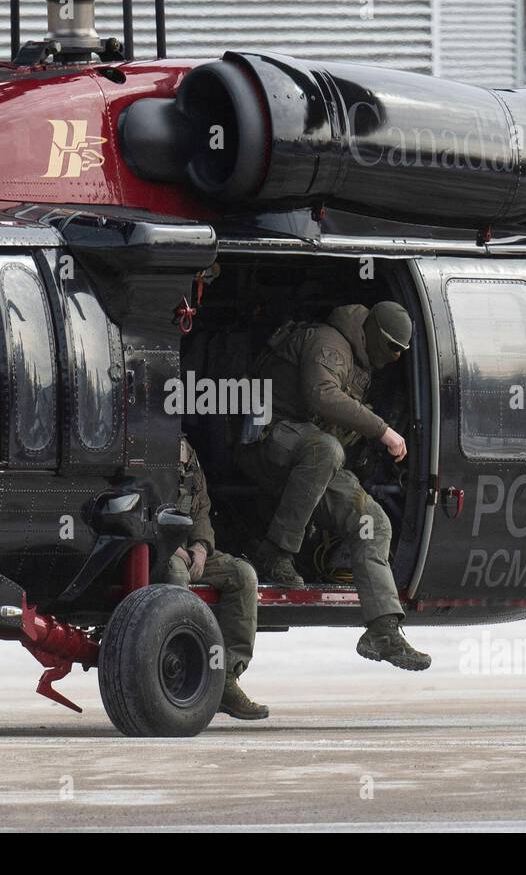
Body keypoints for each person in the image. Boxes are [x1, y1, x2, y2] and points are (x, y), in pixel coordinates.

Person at [236, 301, 431, 671]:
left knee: (373, 523)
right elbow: (321, 394)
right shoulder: (331, 343)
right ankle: (275, 553)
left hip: (309, 459)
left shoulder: (357, 361)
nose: (394, 357)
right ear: (374, 334)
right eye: (392, 347)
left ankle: (383, 629)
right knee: (326, 449)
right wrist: (383, 430)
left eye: (401, 353)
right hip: (268, 440)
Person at [165, 435, 268, 720]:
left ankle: (225, 680)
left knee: (242, 575)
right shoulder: (142, 446)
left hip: (187, 548)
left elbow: (201, 510)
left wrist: (200, 546)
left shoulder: (188, 454)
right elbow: (135, 506)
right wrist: (168, 545)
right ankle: (175, 672)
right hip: (153, 547)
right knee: (175, 576)